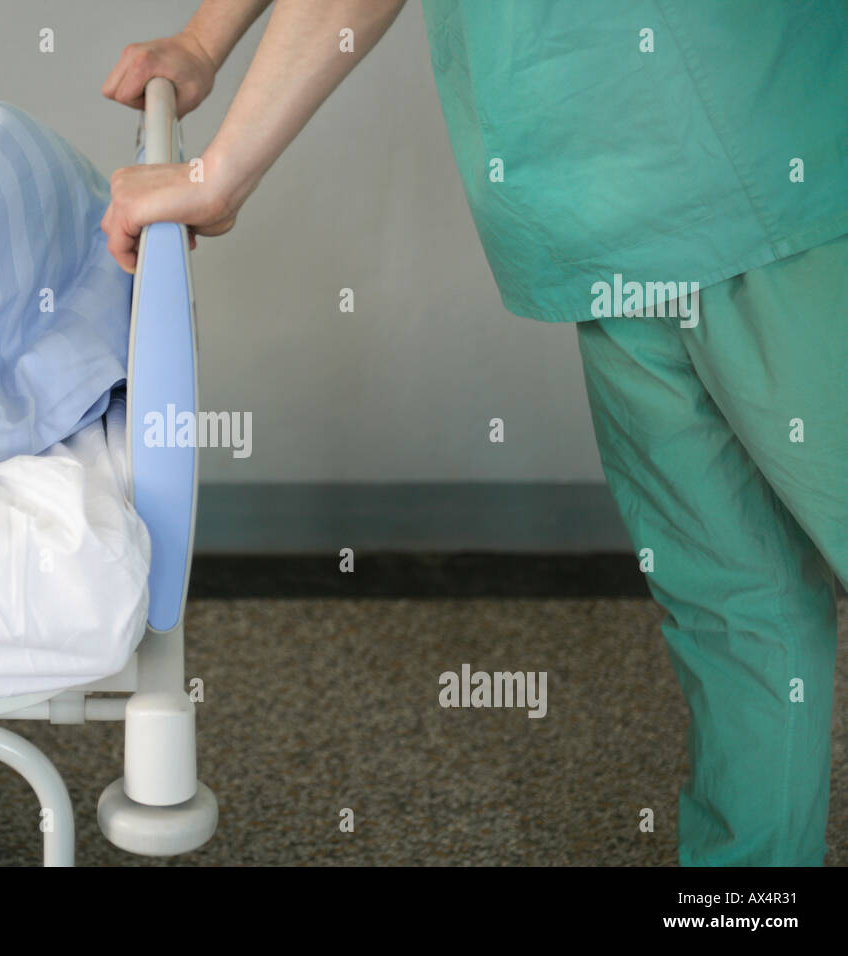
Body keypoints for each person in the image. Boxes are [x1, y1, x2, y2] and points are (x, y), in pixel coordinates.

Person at [101, 0, 848, 866]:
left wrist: (222, 167)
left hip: (762, 163)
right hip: (615, 204)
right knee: (734, 602)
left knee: (738, 605)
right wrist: (204, 42)